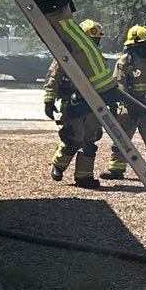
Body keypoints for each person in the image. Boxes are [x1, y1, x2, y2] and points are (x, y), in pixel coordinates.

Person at [42, 19, 108, 186]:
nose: (93, 45)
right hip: (71, 105)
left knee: (90, 141)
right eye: (90, 41)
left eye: (96, 41)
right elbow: (53, 79)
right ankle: (58, 165)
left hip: (92, 105)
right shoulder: (66, 58)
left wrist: (110, 101)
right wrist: (49, 101)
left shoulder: (99, 58)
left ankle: (84, 177)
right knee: (74, 139)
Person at [104, 25, 146, 181]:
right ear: (136, 45)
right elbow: (120, 86)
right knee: (122, 139)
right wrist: (129, 105)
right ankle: (116, 170)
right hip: (130, 109)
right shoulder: (125, 62)